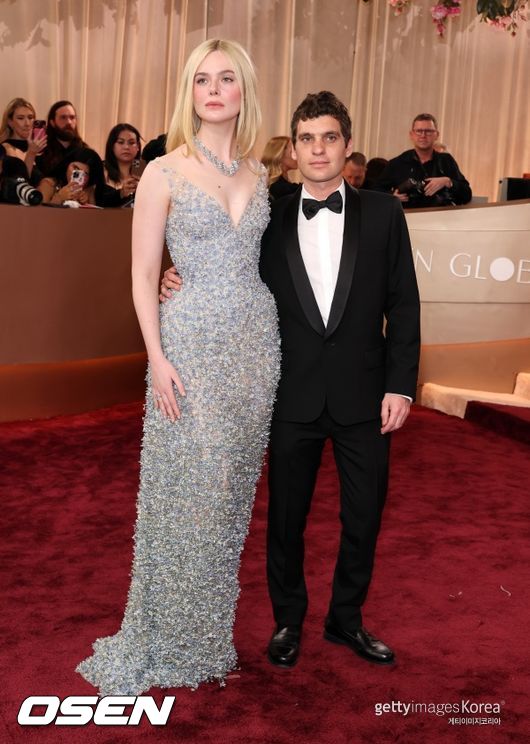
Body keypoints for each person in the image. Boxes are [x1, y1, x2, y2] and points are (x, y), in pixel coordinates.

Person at [162, 91, 421, 669]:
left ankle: (346, 619)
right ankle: (288, 620)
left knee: (364, 517)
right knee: (285, 520)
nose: (318, 149)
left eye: (329, 138)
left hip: (366, 395)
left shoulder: (385, 213)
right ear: (294, 150)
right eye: (307, 139)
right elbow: (226, 269)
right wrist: (179, 277)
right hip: (288, 392)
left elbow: (404, 304)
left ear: (348, 146)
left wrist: (400, 385)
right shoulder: (269, 214)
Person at [76, 39, 280, 696]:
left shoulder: (262, 173)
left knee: (229, 499)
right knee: (185, 494)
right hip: (188, 348)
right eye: (202, 79)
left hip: (255, 349)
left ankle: (207, 638)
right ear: (189, 92)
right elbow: (142, 275)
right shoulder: (164, 171)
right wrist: (156, 358)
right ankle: (166, 637)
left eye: (226, 78)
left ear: (244, 90)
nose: (214, 89)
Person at [374, 113, 471, 207]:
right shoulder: (397, 163)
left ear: (436, 135)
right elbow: (375, 191)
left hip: (441, 217)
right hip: (408, 216)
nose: (423, 135)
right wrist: (392, 196)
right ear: (411, 135)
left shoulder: (446, 161)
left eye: (428, 131)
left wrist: (448, 181)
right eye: (419, 131)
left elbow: (467, 195)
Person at [0, 97, 47, 181]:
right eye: (20, 118)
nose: (27, 123)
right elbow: (21, 182)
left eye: (30, 117)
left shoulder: (40, 149)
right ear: (10, 122)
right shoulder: (3, 149)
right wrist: (31, 153)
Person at [38, 100, 89, 176]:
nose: (69, 122)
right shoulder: (42, 150)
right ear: (52, 122)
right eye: (63, 117)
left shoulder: (84, 151)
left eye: (72, 117)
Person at [37, 147, 103, 205]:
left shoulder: (88, 190)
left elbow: (94, 214)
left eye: (84, 173)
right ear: (67, 165)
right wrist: (59, 198)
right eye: (75, 168)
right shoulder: (49, 184)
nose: (78, 175)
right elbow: (39, 213)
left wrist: (85, 203)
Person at [101, 123, 143, 207]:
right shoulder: (101, 169)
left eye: (131, 143)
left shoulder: (144, 168)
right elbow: (98, 201)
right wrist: (121, 193)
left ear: (138, 146)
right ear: (112, 146)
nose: (126, 147)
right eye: (121, 142)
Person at [261, 135, 299, 199]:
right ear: (280, 154)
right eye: (292, 152)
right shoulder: (279, 188)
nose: (296, 156)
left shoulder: (280, 185)